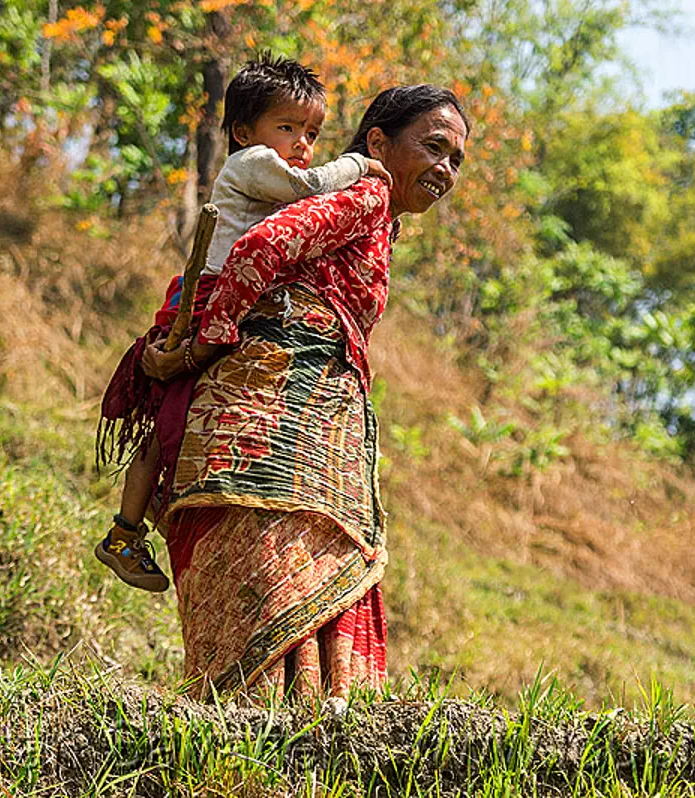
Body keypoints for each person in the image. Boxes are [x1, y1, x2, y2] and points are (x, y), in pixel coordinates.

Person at [140, 85, 469, 700]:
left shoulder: (376, 214)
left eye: (456, 160)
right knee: (277, 586)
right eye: (434, 147)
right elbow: (260, 247)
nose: (445, 170)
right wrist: (207, 342)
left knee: (294, 597)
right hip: (270, 424)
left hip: (287, 424)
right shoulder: (365, 192)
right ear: (377, 142)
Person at [96, 53, 391, 592]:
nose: (303, 143)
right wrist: (360, 166)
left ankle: (133, 526)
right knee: (170, 415)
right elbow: (308, 193)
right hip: (208, 295)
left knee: (177, 420)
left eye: (312, 132)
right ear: (242, 131)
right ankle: (125, 530)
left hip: (217, 293)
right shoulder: (253, 162)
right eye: (288, 127)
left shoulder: (265, 163)